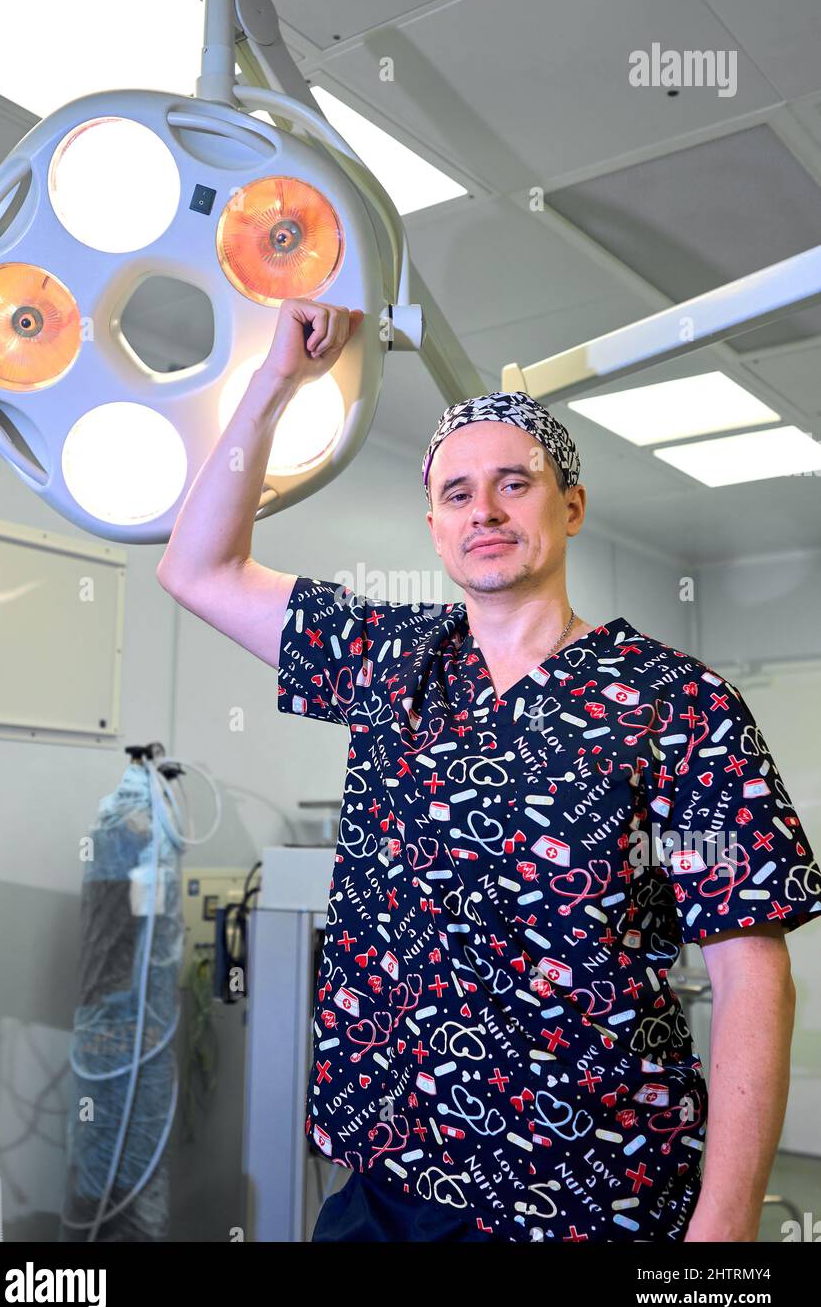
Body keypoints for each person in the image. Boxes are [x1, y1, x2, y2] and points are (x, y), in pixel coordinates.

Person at [157, 298, 820, 1244]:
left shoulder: (679, 704)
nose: (487, 512)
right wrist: (275, 383)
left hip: (595, 1192)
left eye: (516, 483)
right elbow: (199, 569)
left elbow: (752, 976)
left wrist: (725, 1228)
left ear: (572, 507)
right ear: (435, 527)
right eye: (459, 493)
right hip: (389, 1184)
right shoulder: (391, 658)